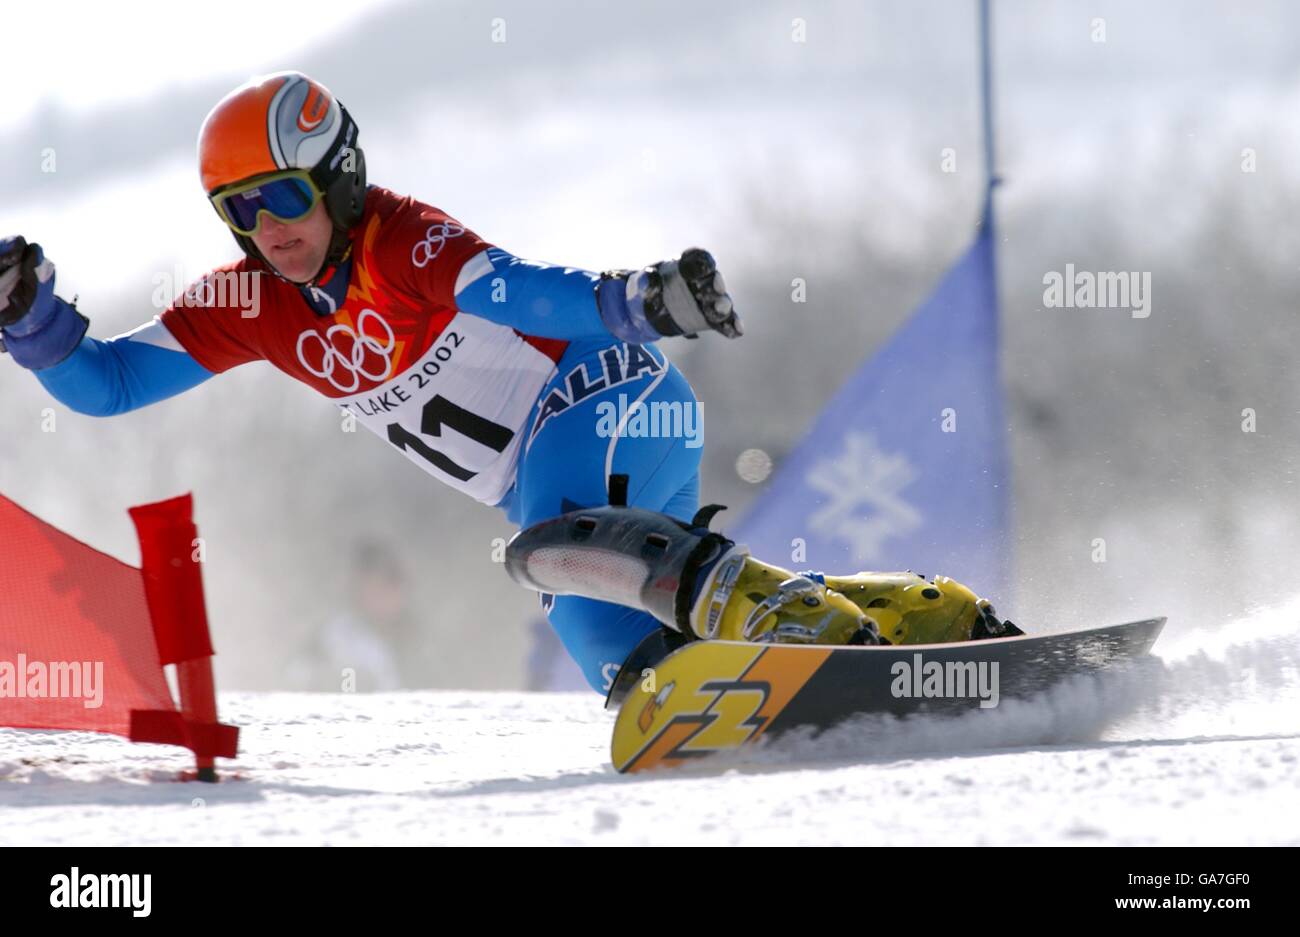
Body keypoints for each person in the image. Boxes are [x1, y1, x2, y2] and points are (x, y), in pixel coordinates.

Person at [0, 72, 1004, 697]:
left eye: (282, 196)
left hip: (606, 396)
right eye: (239, 210)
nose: (267, 228)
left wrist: (643, 300)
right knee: (641, 672)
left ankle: (806, 627)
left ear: (337, 178)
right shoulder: (253, 302)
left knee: (560, 548)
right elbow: (111, 386)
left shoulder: (404, 242)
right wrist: (30, 320)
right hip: (552, 465)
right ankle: (918, 621)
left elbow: (519, 288)